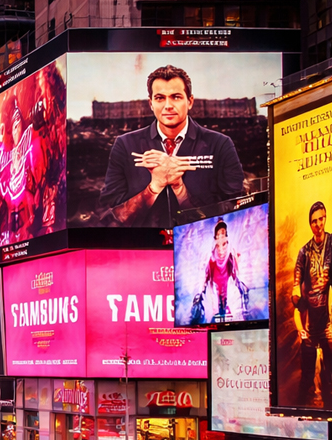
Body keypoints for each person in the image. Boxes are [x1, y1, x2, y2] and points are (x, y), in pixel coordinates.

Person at [99, 65, 244, 228]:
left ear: (190, 101)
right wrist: (153, 188)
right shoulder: (125, 145)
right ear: (151, 104)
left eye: (176, 97)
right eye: (160, 98)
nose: (168, 105)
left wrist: (180, 189)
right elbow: (109, 214)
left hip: (197, 240)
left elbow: (236, 210)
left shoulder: (220, 145)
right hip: (143, 242)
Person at [293, 201, 332, 407]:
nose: (318, 224)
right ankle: (299, 415)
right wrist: (301, 330)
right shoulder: (304, 252)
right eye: (314, 221)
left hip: (327, 324)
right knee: (306, 379)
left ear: (325, 218)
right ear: (310, 224)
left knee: (329, 378)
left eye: (321, 219)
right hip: (309, 327)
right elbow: (295, 291)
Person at [196, 220, 249, 323]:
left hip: (228, 287)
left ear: (226, 236)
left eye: (223, 234)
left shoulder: (231, 254)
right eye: (218, 235)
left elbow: (237, 273)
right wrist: (202, 291)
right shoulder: (211, 256)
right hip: (215, 288)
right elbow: (205, 275)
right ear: (215, 237)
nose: (220, 237)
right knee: (217, 313)